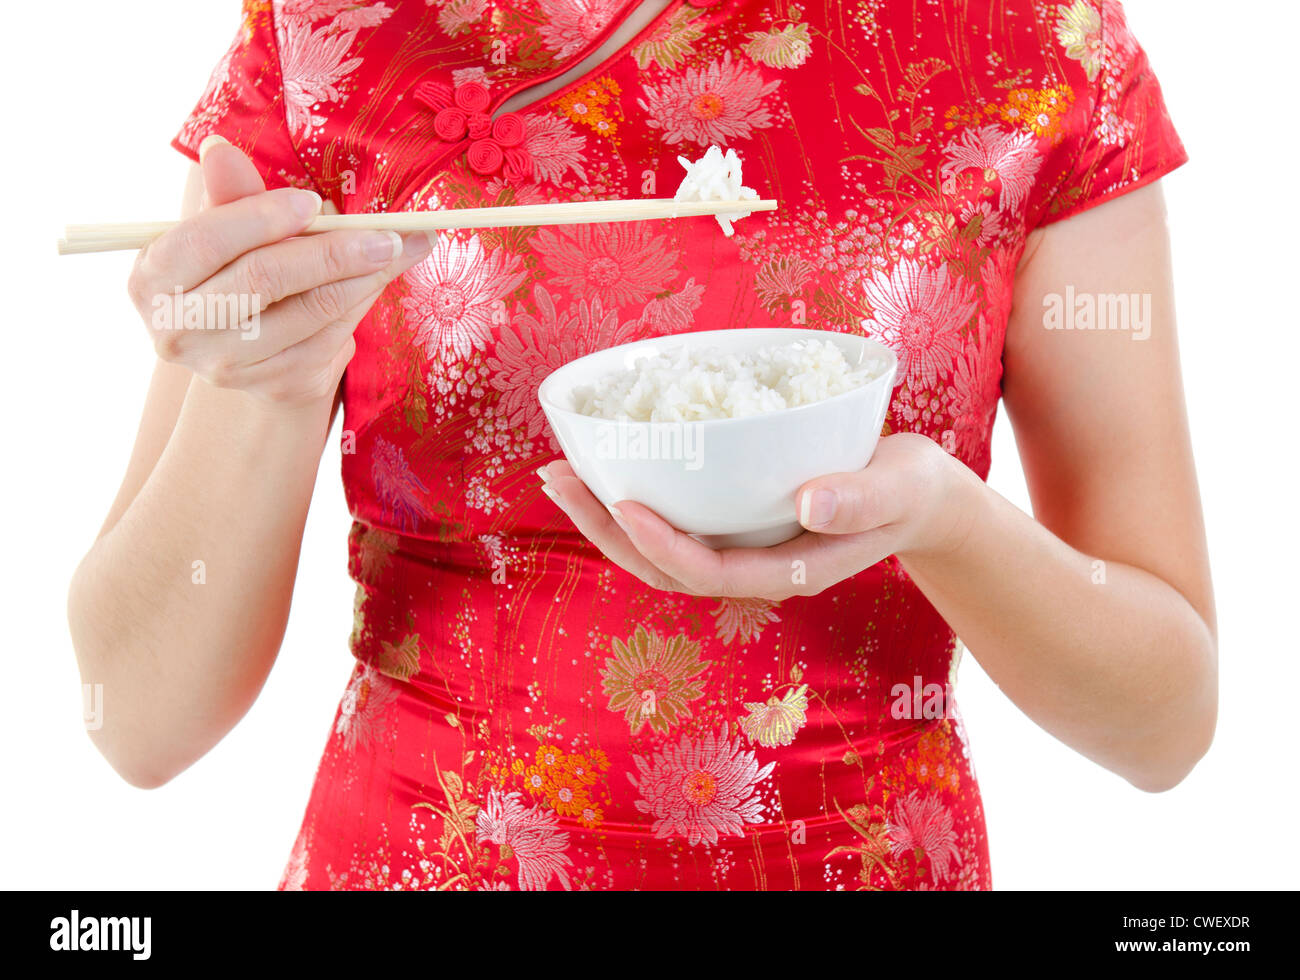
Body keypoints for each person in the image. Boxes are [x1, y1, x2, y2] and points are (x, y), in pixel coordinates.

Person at [67, 0, 1215, 890]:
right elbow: (140, 716)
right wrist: (268, 381)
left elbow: (1166, 720)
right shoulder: (337, 31)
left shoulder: (1029, 39)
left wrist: (945, 523)